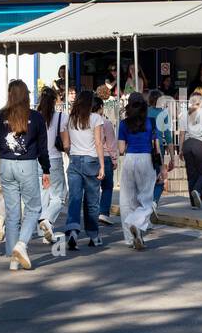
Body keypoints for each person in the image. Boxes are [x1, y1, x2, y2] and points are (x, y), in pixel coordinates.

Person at [0, 79, 51, 270]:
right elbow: (42, 148)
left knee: (13, 212)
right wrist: (46, 169)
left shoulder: (1, 116)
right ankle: (21, 244)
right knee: (33, 208)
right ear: (26, 95)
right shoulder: (36, 117)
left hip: (5, 165)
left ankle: (13, 259)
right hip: (27, 165)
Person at [62, 90, 108, 249]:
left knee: (75, 198)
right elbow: (98, 143)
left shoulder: (70, 119)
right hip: (91, 160)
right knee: (92, 201)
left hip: (74, 160)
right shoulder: (96, 118)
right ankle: (94, 235)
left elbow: (66, 145)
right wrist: (102, 165)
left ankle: (73, 230)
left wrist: (72, 155)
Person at [116, 92, 158, 249]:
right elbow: (156, 147)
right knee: (146, 200)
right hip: (146, 159)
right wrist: (162, 168)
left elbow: (121, 149)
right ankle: (137, 225)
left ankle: (130, 238)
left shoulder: (123, 124)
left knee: (127, 200)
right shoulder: (151, 123)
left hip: (129, 159)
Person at [36, 86, 68, 243]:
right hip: (54, 159)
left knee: (44, 194)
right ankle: (47, 220)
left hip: (37, 160)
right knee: (59, 196)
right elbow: (66, 142)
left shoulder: (35, 117)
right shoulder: (61, 117)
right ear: (55, 100)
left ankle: (43, 231)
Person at [95, 84, 119, 225]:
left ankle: (93, 212)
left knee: (93, 188)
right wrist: (115, 159)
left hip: (91, 156)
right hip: (105, 156)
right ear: (101, 108)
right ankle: (103, 212)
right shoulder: (106, 123)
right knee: (107, 186)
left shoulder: (86, 122)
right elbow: (111, 143)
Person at [146, 89, 173, 208]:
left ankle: (147, 202)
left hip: (145, 147)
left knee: (148, 176)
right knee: (160, 176)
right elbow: (168, 136)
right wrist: (173, 157)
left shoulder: (145, 112)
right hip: (158, 148)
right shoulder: (164, 113)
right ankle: (154, 201)